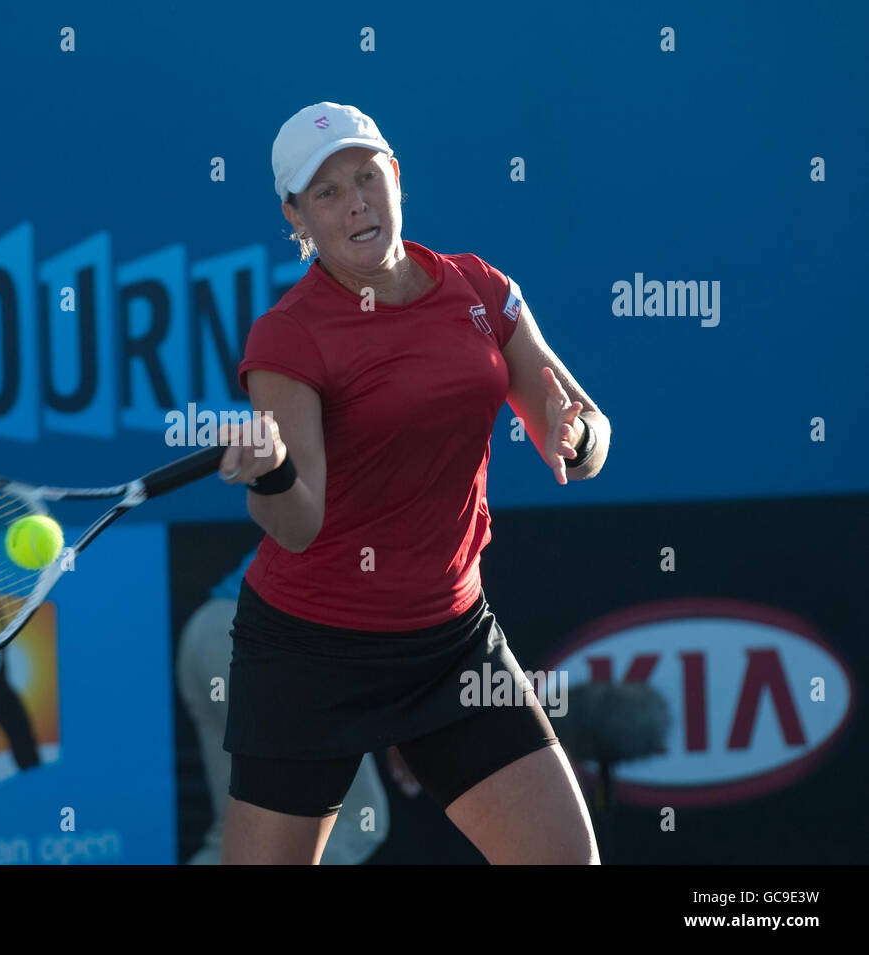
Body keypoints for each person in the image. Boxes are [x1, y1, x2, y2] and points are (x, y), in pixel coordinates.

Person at [214, 102, 611, 865]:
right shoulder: (289, 336)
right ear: (295, 216)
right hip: (310, 652)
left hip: (451, 644)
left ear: (396, 177)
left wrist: (582, 435)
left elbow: (582, 431)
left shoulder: (482, 290)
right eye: (325, 193)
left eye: (367, 176)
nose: (356, 201)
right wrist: (269, 475)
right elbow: (297, 524)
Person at [175, 548, 394, 864]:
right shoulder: (397, 524)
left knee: (236, 840)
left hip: (211, 635)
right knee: (353, 822)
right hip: (265, 645)